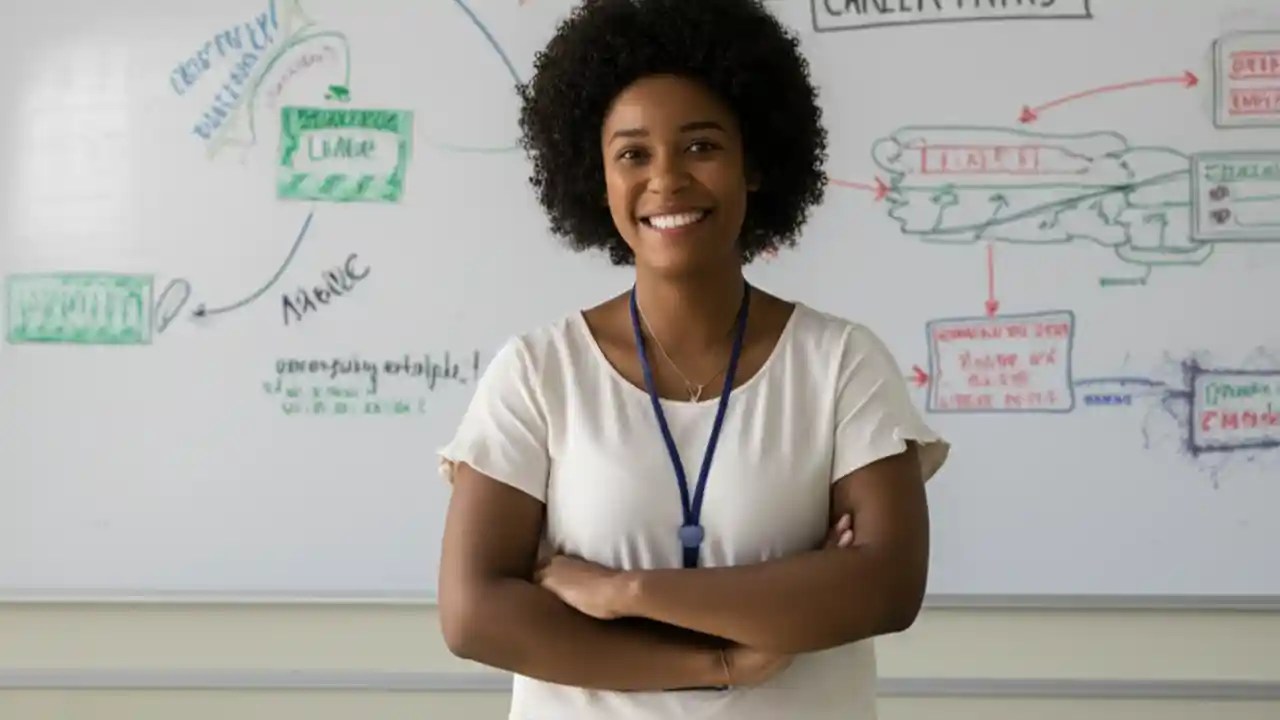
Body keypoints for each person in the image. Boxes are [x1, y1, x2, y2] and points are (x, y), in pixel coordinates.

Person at [436, 0, 950, 717]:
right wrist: (723, 661)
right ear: (598, 178)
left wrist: (624, 591)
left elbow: (886, 588)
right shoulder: (537, 371)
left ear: (756, 163)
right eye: (632, 153)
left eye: (701, 146)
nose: (667, 179)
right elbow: (475, 615)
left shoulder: (841, 363)